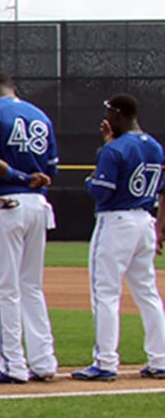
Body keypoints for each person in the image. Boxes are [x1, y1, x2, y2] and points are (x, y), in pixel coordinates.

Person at [0, 72, 59, 384]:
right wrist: (34, 180)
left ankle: (12, 364)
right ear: (16, 89)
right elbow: (52, 167)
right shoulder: (40, 115)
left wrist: (22, 178)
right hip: (38, 205)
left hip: (6, 202)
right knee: (31, 286)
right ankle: (44, 361)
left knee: (6, 287)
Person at [73, 94, 165, 381]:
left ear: (117, 114)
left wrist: (92, 174)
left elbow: (100, 191)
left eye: (109, 113)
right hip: (145, 220)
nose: (106, 119)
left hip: (116, 222)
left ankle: (105, 362)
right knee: (147, 293)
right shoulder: (156, 147)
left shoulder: (114, 149)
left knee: (106, 293)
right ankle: (161, 359)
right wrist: (160, 228)